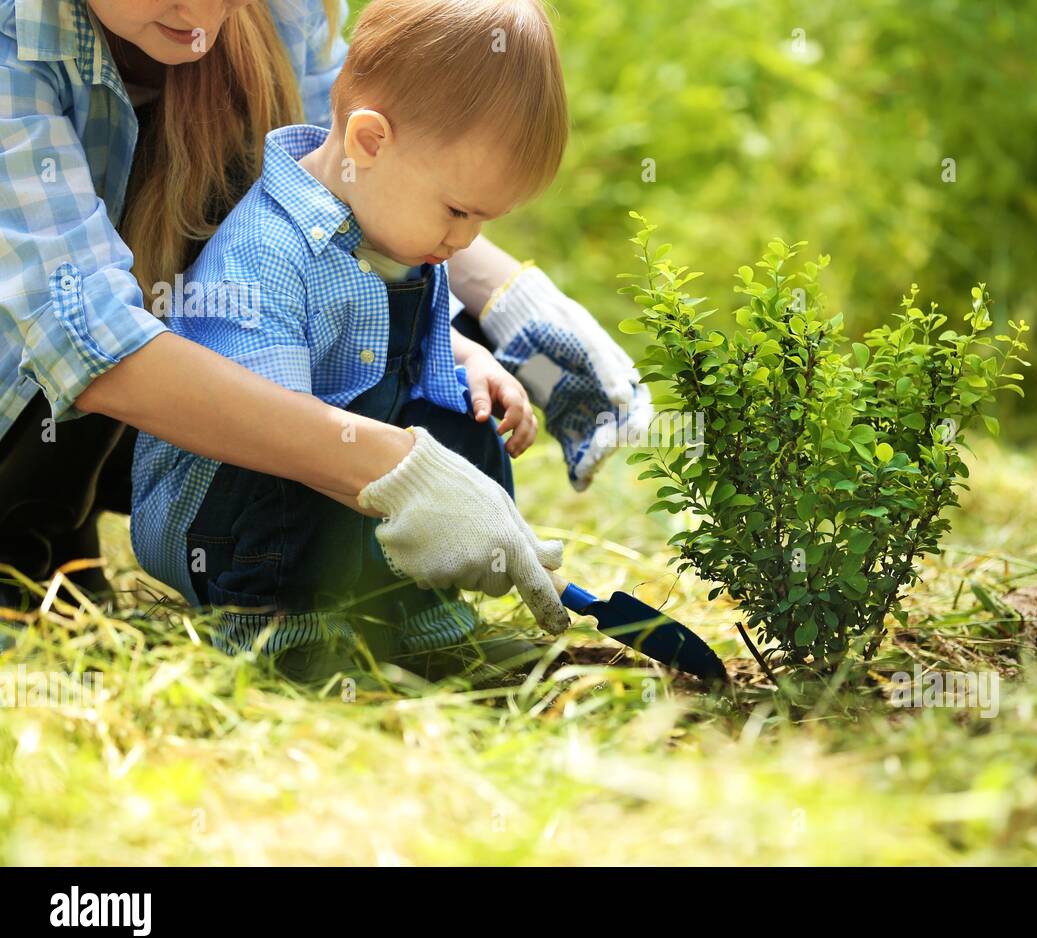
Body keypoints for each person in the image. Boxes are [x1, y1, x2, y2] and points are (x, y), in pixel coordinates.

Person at [0, 0, 649, 644]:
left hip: (182, 358)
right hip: (59, 399)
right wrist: (400, 473)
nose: (201, 8)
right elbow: (84, 340)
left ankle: (397, 608)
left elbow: (365, 174)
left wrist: (516, 305)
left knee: (446, 348)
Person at [133, 0, 579, 677]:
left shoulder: (394, 230)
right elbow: (271, 430)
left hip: (336, 468)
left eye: (483, 220)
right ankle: (281, 633)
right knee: (306, 471)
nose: (465, 240)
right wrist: (402, 477)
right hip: (233, 506)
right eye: (459, 210)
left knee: (464, 423)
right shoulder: (266, 256)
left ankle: (417, 615)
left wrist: (467, 359)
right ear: (370, 142)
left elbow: (385, 350)